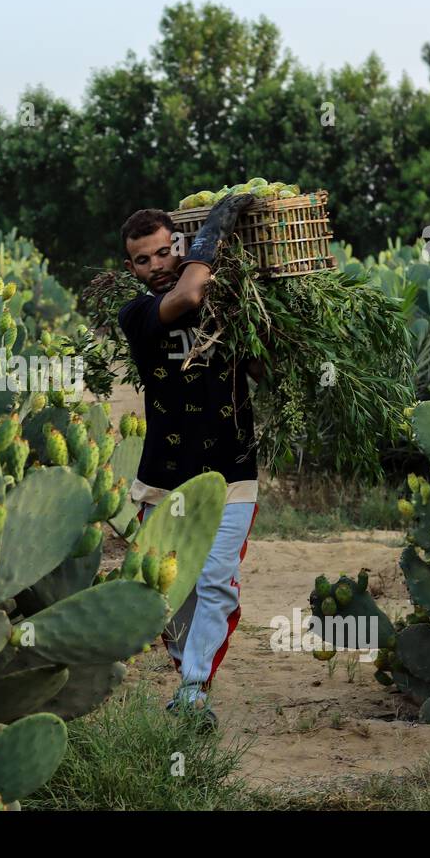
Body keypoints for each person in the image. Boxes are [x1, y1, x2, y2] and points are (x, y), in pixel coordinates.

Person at [116, 196, 263, 730]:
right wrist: (214, 234)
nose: (155, 266)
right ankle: (186, 670)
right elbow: (189, 292)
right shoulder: (136, 315)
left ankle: (194, 689)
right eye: (142, 260)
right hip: (163, 477)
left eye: (163, 252)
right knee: (171, 593)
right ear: (129, 268)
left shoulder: (228, 308)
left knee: (217, 580)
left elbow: (264, 371)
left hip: (232, 470)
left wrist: (257, 315)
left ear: (178, 247)